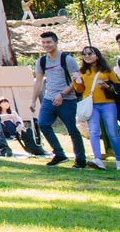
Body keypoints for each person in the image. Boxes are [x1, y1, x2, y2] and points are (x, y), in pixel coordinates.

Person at [31, 31, 86, 167]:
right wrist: (32, 100)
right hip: (49, 99)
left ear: (56, 42)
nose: (46, 45)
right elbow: (38, 81)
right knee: (43, 124)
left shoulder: (67, 60)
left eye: (49, 42)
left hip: (67, 100)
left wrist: (62, 94)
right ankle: (59, 154)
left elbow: (77, 81)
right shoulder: (42, 61)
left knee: (72, 129)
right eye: (43, 43)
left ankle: (80, 159)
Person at [73, 46, 119, 169]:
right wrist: (76, 82)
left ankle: (119, 159)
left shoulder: (106, 70)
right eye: (84, 54)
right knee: (93, 132)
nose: (87, 56)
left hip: (108, 103)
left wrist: (107, 87)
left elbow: (117, 85)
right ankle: (97, 159)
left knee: (112, 132)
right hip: (91, 104)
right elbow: (80, 89)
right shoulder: (82, 71)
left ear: (97, 55)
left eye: (90, 54)